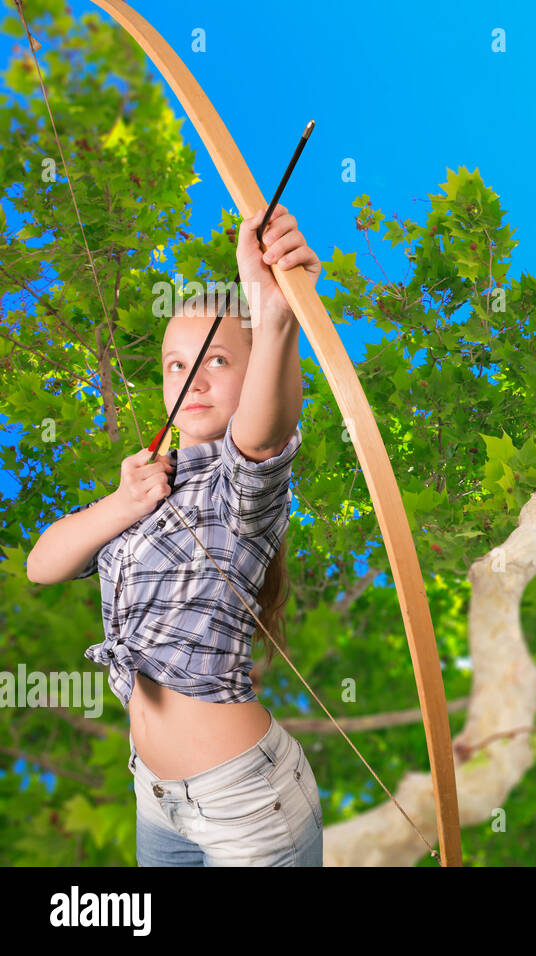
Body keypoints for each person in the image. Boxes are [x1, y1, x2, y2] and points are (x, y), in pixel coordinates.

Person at [27, 205, 324, 866]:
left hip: (246, 806)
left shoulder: (240, 486)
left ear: (254, 376)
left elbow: (264, 436)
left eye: (219, 359)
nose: (194, 379)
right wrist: (122, 500)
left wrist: (274, 316)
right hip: (154, 797)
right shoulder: (148, 485)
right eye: (176, 365)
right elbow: (41, 566)